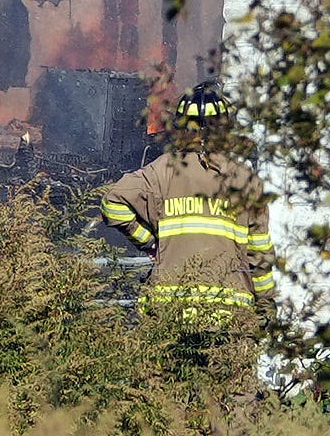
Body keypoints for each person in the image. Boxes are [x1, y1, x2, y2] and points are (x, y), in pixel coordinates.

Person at [99, 83, 274, 323]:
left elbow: (113, 204)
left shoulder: (162, 171)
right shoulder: (246, 180)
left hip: (170, 313)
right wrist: (266, 306)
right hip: (230, 315)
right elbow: (259, 253)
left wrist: (149, 243)